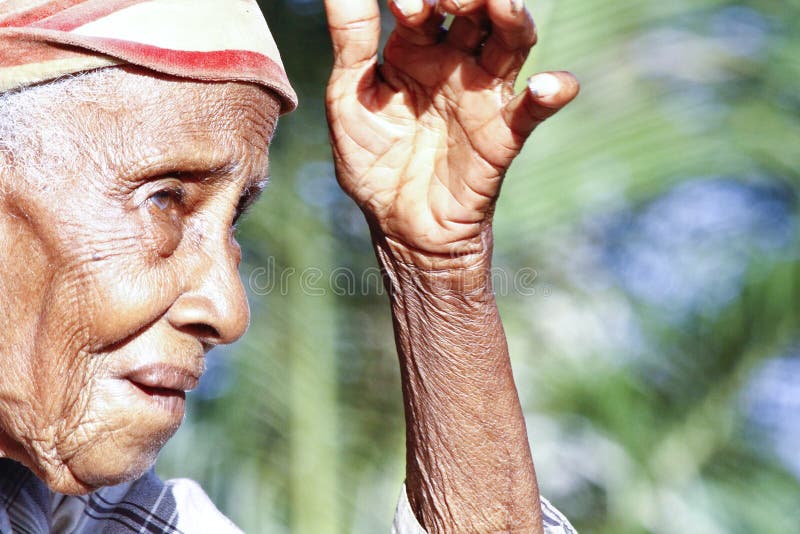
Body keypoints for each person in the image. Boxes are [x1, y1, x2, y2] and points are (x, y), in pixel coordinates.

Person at [0, 0, 579, 532]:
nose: (229, 313)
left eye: (234, 221)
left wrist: (436, 270)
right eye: (164, 199)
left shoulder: (68, 514)